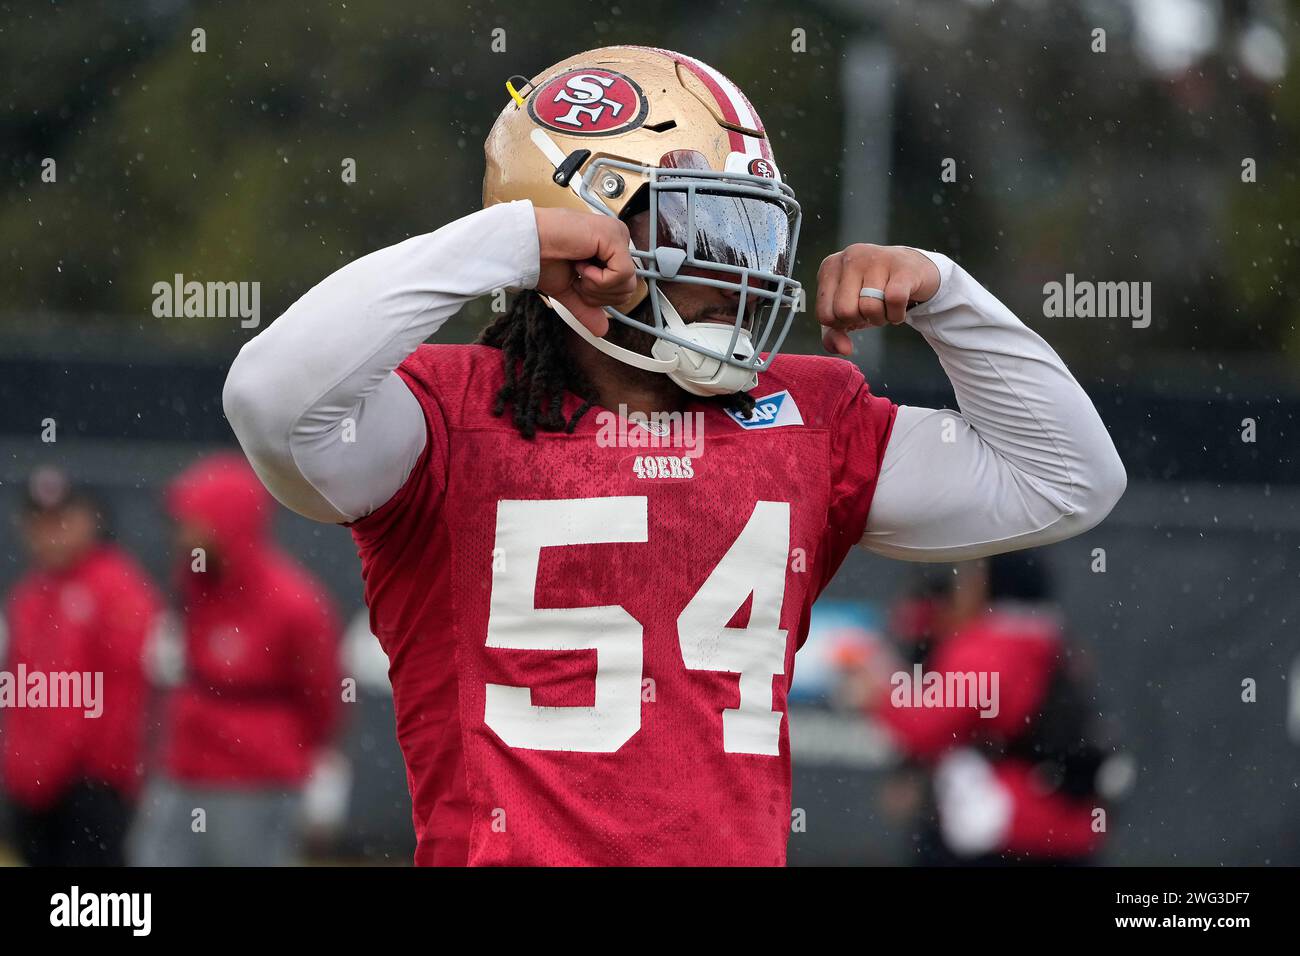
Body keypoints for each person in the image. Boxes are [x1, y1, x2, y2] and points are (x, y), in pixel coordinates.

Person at [221, 46, 1126, 865]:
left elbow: (1069, 479)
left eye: (756, 234)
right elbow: (269, 398)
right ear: (581, 231)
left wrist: (950, 296)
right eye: (704, 235)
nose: (743, 272)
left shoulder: (809, 416)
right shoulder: (441, 417)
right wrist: (505, 241)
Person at [130, 453, 341, 866]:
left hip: (254, 783)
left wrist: (290, 755)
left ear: (226, 522)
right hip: (183, 769)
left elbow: (323, 702)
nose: (182, 536)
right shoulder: (193, 582)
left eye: (193, 522)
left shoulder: (294, 604)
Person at [865, 552, 1119, 865]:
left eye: (970, 575)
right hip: (1068, 832)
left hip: (1011, 831)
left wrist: (877, 693)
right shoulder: (1053, 639)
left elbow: (927, 726)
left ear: (986, 582)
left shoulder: (992, 647)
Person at [1, 466, 160, 865]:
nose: (49, 532)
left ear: (93, 520)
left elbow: (124, 697)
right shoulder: (28, 596)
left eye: (63, 520)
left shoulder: (119, 589)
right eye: (39, 522)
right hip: (33, 786)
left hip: (91, 786)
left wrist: (97, 773)